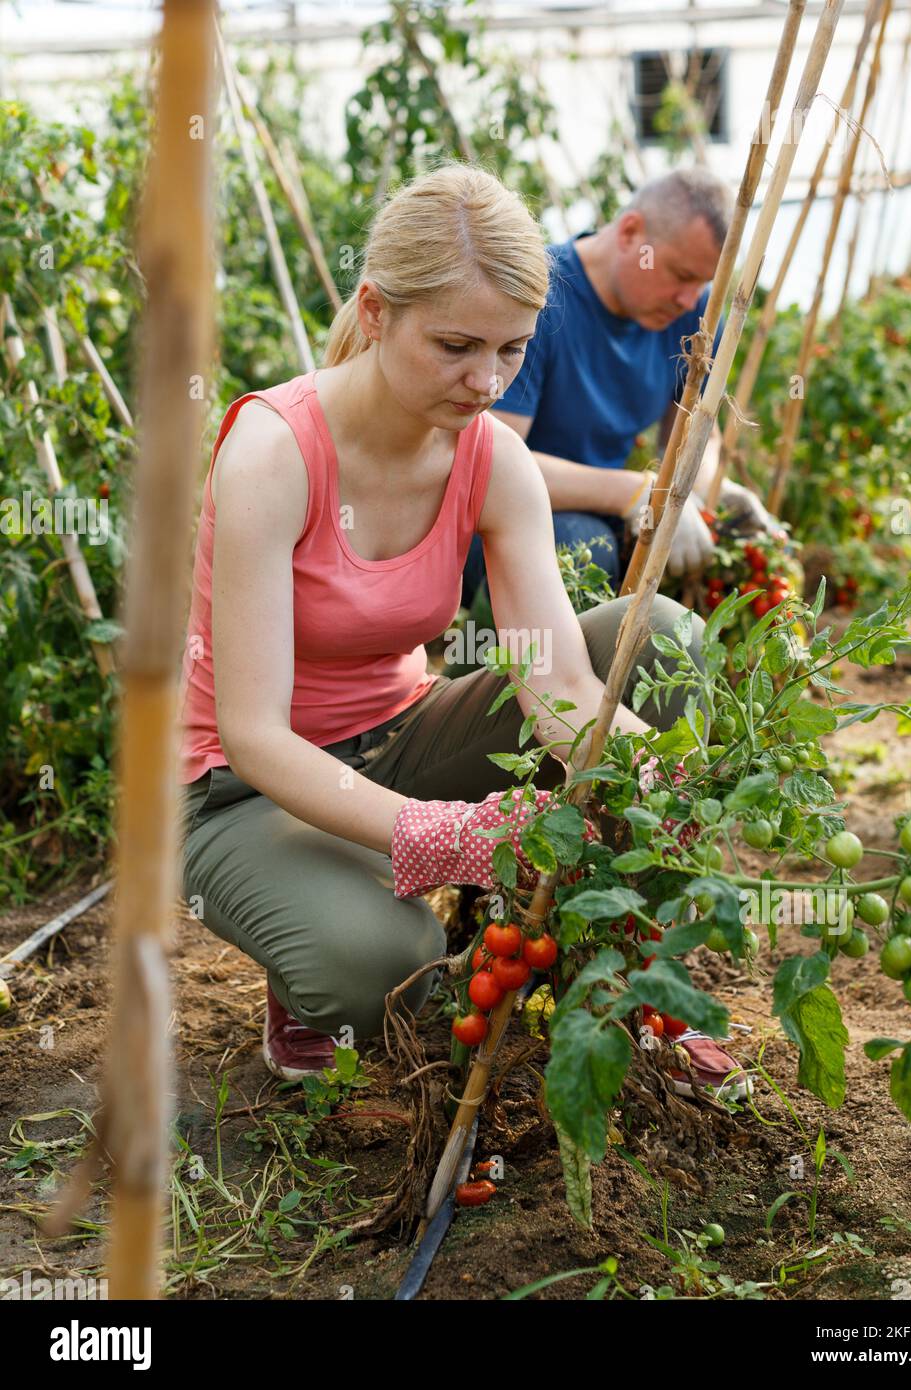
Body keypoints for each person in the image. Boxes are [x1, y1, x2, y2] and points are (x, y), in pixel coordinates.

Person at [176, 163, 750, 1102]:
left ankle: (625, 987)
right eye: (455, 346)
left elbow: (556, 677)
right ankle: (321, 943)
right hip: (247, 792)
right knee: (381, 970)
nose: (486, 381)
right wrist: (441, 834)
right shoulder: (273, 454)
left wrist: (649, 773)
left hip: (402, 738)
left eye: (513, 350)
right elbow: (253, 732)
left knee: (665, 645)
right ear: (374, 311)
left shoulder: (495, 461)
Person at [461, 167, 781, 611]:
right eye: (680, 275)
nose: (690, 300)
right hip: (502, 522)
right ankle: (502, 673)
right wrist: (631, 493)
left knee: (741, 546)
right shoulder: (539, 299)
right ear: (631, 232)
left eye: (703, 283)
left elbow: (688, 432)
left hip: (608, 511)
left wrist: (715, 492)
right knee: (582, 549)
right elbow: (490, 465)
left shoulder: (695, 314)